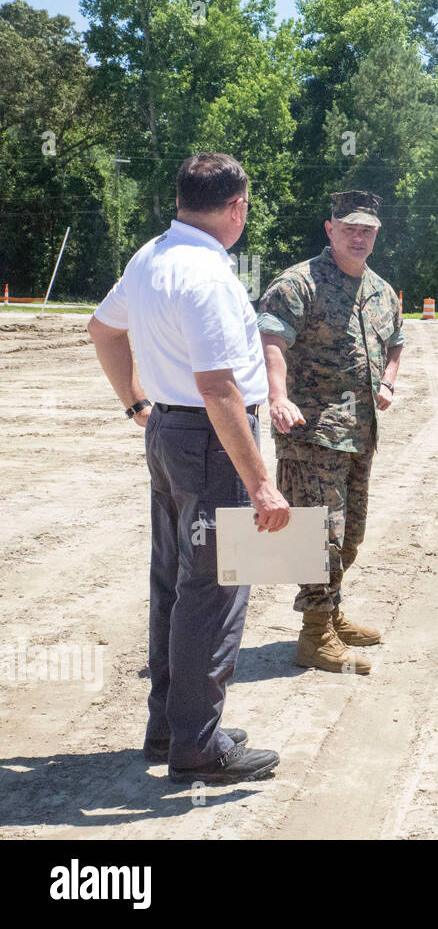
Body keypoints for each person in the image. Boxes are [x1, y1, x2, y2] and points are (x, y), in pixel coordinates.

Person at [87, 153, 288, 784]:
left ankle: (171, 726)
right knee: (216, 589)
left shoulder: (150, 258)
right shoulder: (208, 275)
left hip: (169, 431)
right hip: (209, 438)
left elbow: (102, 329)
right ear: (236, 207)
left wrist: (136, 403)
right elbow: (220, 387)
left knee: (174, 582)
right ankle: (198, 746)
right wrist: (261, 484)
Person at [257, 191, 404, 675]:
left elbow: (397, 342)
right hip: (312, 432)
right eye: (350, 228)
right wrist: (278, 395)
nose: (359, 236)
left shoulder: (381, 290)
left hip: (360, 433)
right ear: (330, 228)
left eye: (368, 230)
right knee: (321, 534)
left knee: (352, 533)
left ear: (377, 233)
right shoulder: (300, 283)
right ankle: (314, 635)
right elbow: (271, 338)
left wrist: (387, 381)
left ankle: (332, 612)